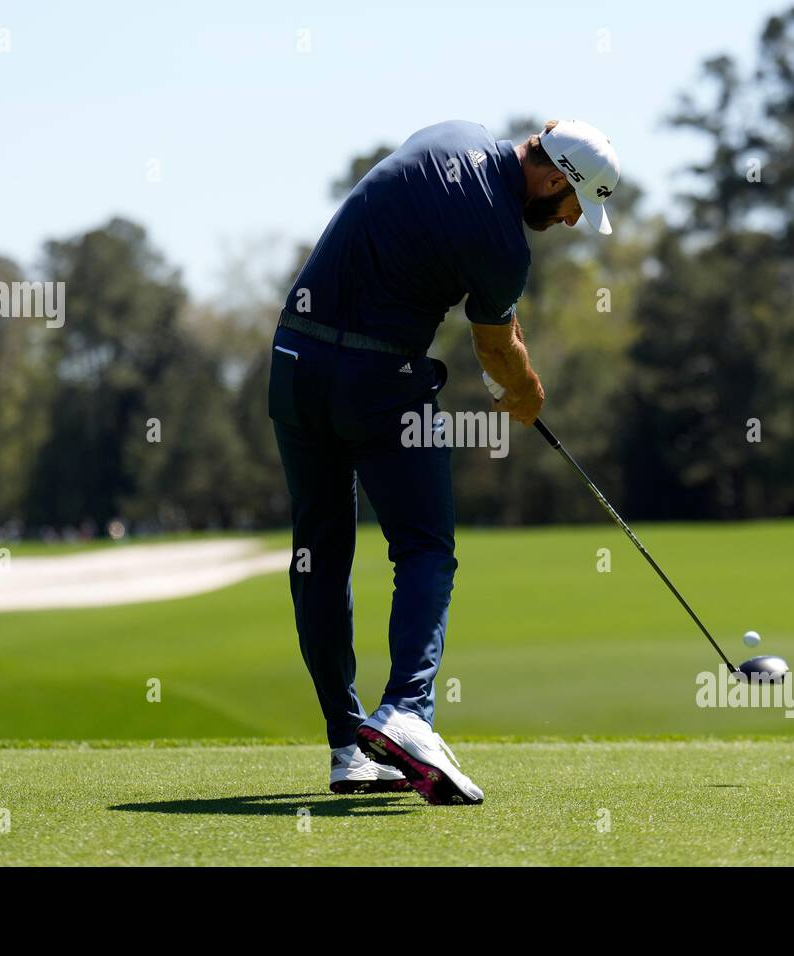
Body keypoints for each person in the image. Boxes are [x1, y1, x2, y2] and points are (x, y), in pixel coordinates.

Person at [268, 118, 619, 804]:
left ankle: (348, 747)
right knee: (425, 547)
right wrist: (525, 392)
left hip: (294, 362)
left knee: (319, 552)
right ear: (553, 179)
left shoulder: (450, 133)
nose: (573, 222)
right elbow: (495, 347)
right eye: (576, 206)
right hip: (377, 382)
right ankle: (407, 710)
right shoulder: (502, 245)